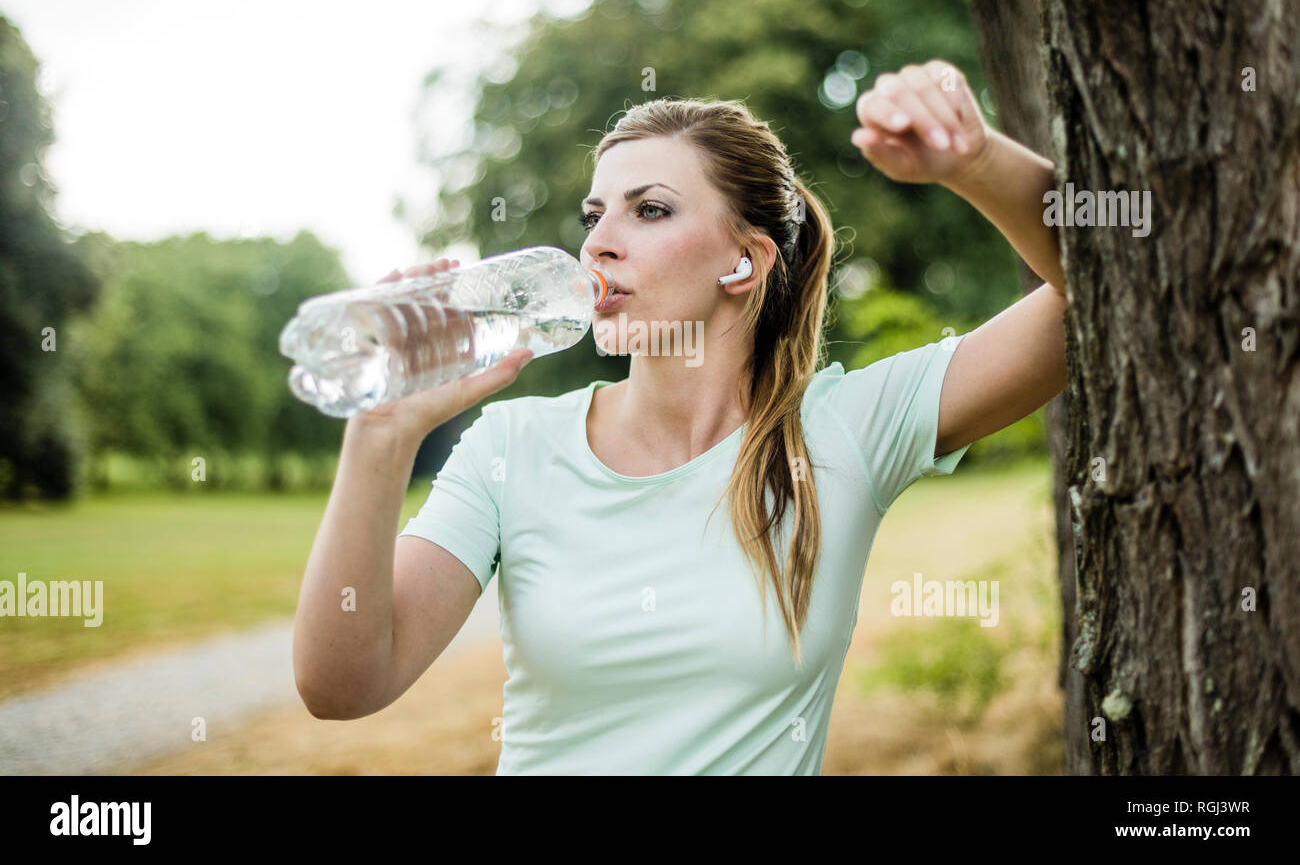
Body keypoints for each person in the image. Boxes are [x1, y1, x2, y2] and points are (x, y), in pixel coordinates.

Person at [292, 59, 1068, 774]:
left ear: (745, 261)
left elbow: (1097, 291)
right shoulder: (511, 447)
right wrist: (379, 438)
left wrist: (974, 163)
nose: (598, 243)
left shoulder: (847, 431)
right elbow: (344, 686)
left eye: (650, 211)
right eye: (596, 214)